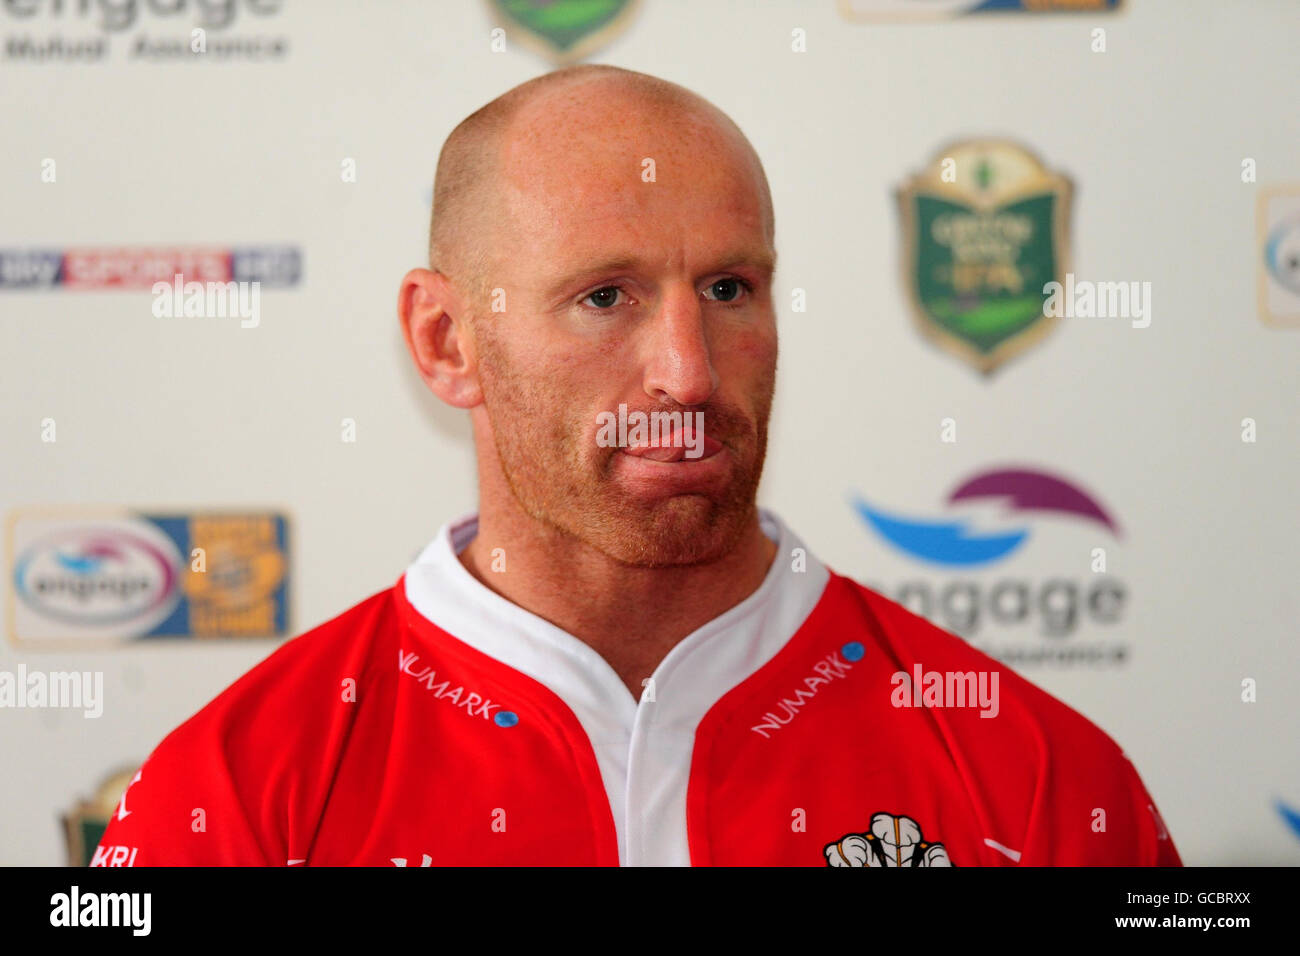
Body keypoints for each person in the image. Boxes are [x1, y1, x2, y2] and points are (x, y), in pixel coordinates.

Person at [92, 64, 1180, 867]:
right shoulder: (239, 790)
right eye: (603, 296)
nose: (687, 373)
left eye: (726, 289)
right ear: (444, 339)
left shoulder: (1034, 777)